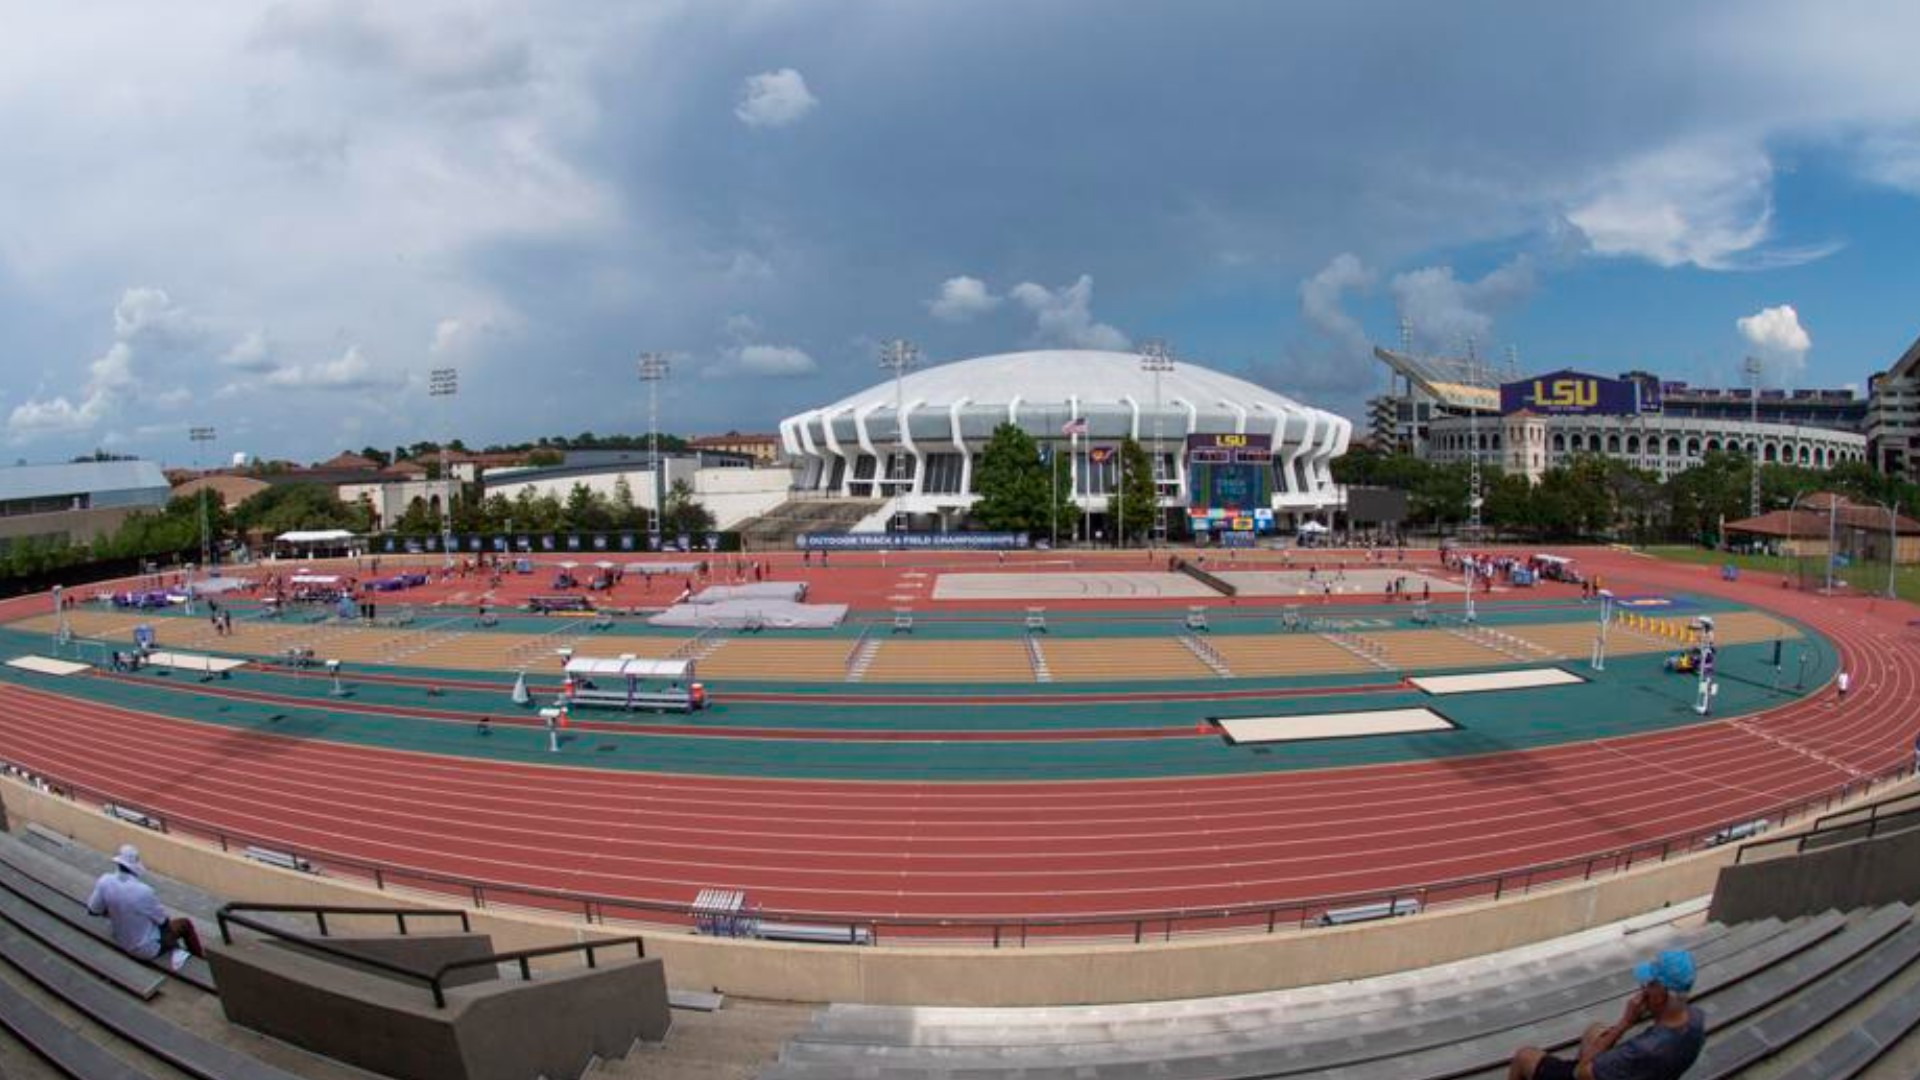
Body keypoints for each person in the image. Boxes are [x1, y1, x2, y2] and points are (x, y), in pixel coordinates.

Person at [1509, 950, 1703, 1080]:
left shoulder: (1643, 1049)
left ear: (1661, 995)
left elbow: (1581, 1072)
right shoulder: (1696, 1019)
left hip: (1590, 1074)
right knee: (1594, 1031)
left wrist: (1625, 1023)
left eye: (1649, 984)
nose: (1643, 989)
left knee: (1524, 1056)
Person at [86, 845, 204, 971]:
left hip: (121, 938)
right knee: (184, 924)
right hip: (146, 949)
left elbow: (93, 910)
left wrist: (116, 911)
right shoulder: (143, 891)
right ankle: (200, 960)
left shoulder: (105, 880)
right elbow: (163, 922)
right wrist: (172, 944)